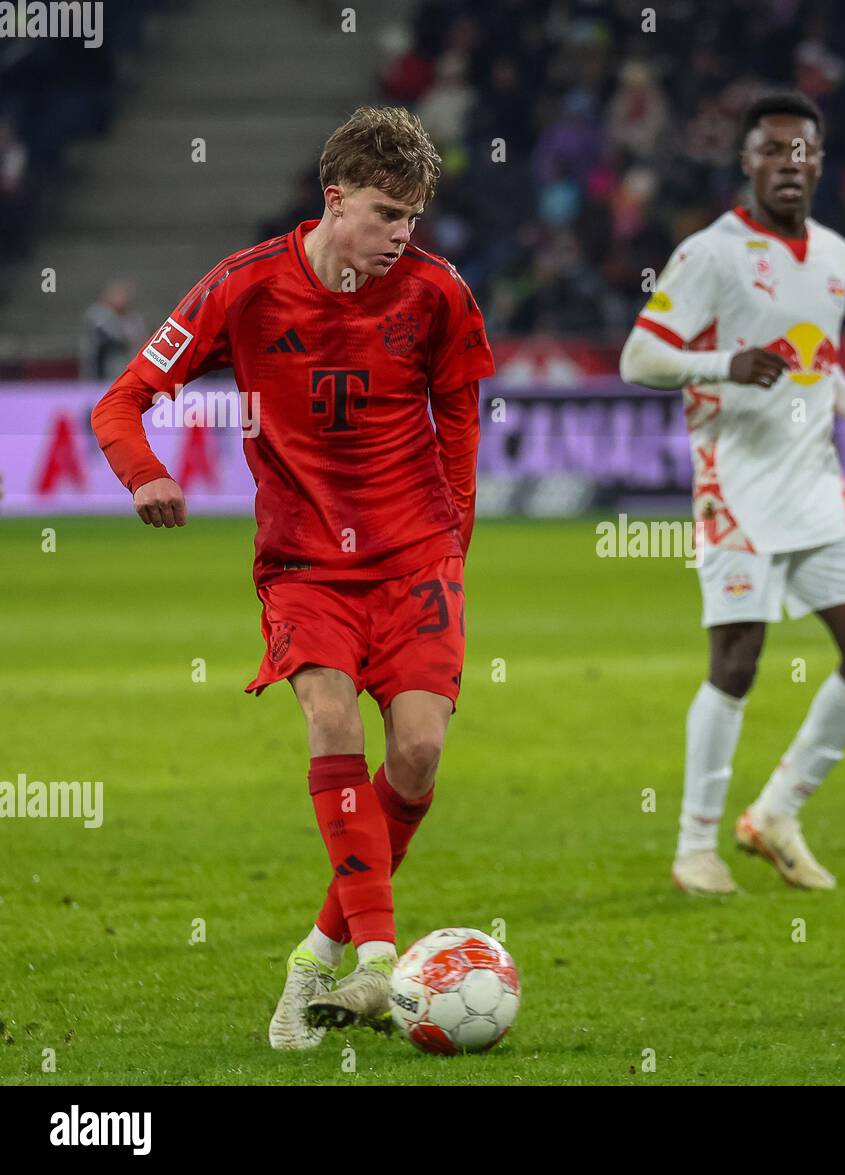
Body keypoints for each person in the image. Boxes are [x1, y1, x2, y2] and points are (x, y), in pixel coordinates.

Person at [90, 106, 494, 1046]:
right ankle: (379, 964)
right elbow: (124, 400)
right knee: (329, 716)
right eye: (387, 213)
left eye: (414, 219)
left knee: (421, 752)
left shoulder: (438, 294)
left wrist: (453, 550)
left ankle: (314, 955)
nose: (402, 237)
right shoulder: (244, 288)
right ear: (335, 198)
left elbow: (463, 431)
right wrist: (146, 473)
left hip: (415, 554)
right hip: (305, 561)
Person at [619, 92, 845, 895]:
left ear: (820, 160)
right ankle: (693, 848)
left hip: (817, 483)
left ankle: (775, 812)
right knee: (738, 660)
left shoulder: (836, 254)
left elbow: (818, 360)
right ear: (746, 162)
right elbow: (638, 359)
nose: (790, 164)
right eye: (773, 150)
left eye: (802, 150)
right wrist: (723, 364)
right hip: (734, 485)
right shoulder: (711, 254)